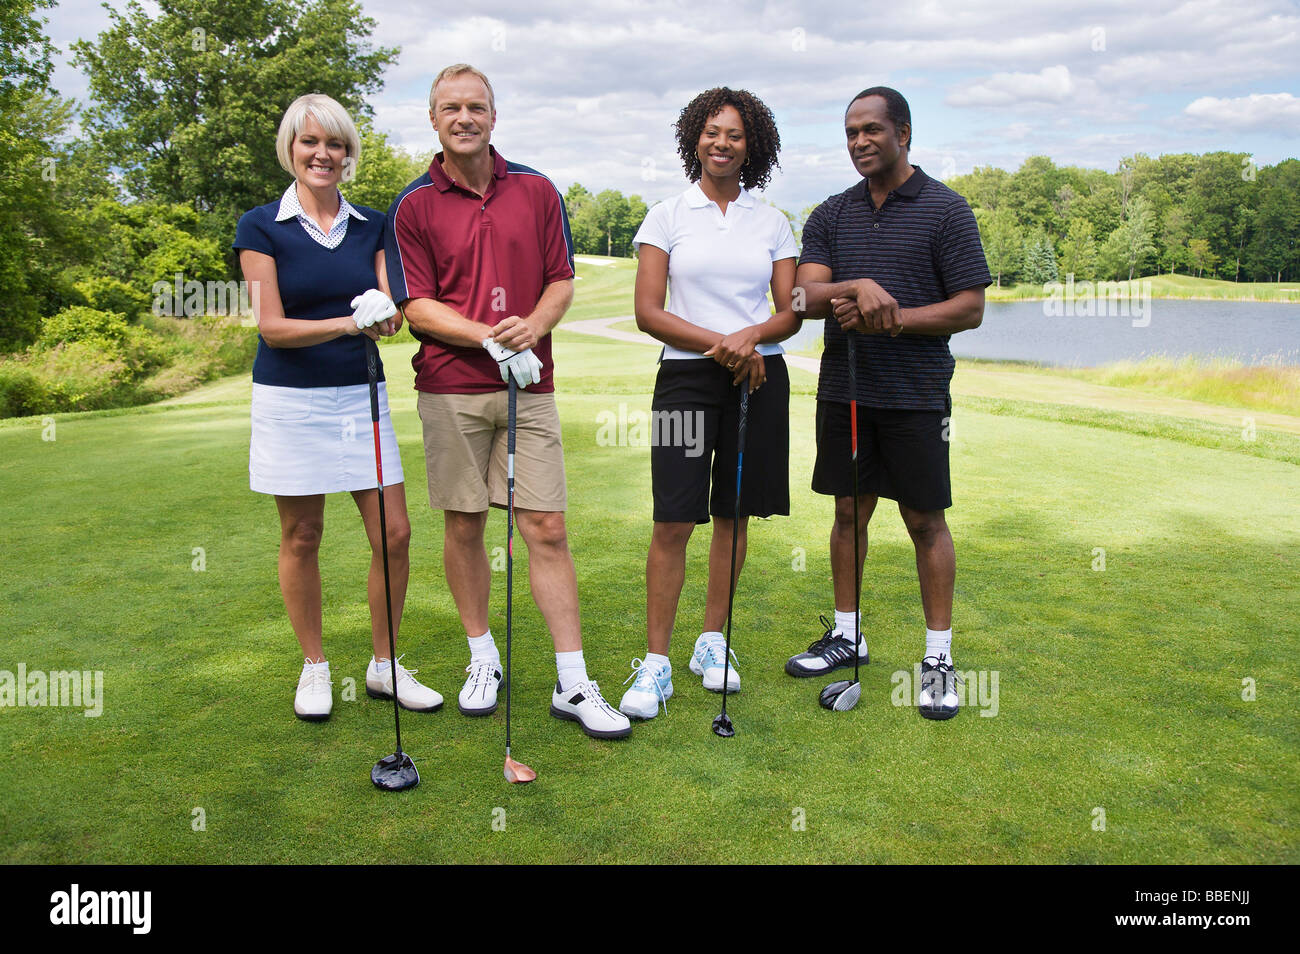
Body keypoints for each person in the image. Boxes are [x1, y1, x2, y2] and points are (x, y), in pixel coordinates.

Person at [385, 64, 630, 738]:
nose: (465, 118)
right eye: (451, 108)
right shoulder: (412, 205)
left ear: (494, 116)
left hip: (531, 386)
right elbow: (416, 305)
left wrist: (537, 325)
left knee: (545, 527)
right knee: (464, 524)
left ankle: (574, 684)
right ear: (433, 120)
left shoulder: (537, 189)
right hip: (450, 389)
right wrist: (489, 336)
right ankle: (482, 657)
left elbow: (560, 280)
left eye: (477, 107)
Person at [234, 94, 444, 722]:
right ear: (290, 150)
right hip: (290, 402)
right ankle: (316, 668)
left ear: (348, 153)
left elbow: (389, 311)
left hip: (361, 396)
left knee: (395, 532)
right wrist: (348, 325)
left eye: (335, 144)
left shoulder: (373, 224)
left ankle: (384, 667)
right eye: (309, 143)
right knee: (303, 534)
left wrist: (383, 320)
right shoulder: (260, 226)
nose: (322, 154)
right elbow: (271, 326)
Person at [785, 86, 990, 720]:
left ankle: (938, 657)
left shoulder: (946, 210)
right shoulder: (832, 213)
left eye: (871, 130)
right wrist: (857, 286)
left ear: (903, 132)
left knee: (925, 521)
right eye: (850, 132)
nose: (859, 142)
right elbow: (799, 298)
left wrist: (892, 318)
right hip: (845, 391)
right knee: (848, 513)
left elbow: (970, 307)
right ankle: (848, 635)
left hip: (916, 395)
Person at [619, 88, 799, 720]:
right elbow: (648, 312)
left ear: (754, 147)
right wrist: (727, 344)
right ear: (695, 136)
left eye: (737, 135)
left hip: (757, 379)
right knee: (673, 519)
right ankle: (656, 663)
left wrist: (752, 339)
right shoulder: (667, 215)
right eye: (712, 132)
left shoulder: (772, 221)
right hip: (686, 380)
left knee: (734, 514)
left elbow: (789, 313)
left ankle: (713, 642)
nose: (722, 143)